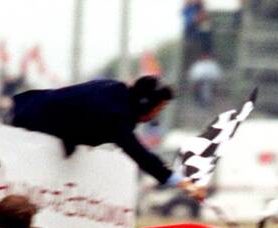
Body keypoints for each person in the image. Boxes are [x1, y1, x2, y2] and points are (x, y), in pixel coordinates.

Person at [11, 76, 207, 200]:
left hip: (26, 107)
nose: (157, 113)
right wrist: (181, 182)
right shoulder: (115, 115)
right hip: (20, 123)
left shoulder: (114, 91)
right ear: (145, 104)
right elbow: (140, 154)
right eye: (159, 108)